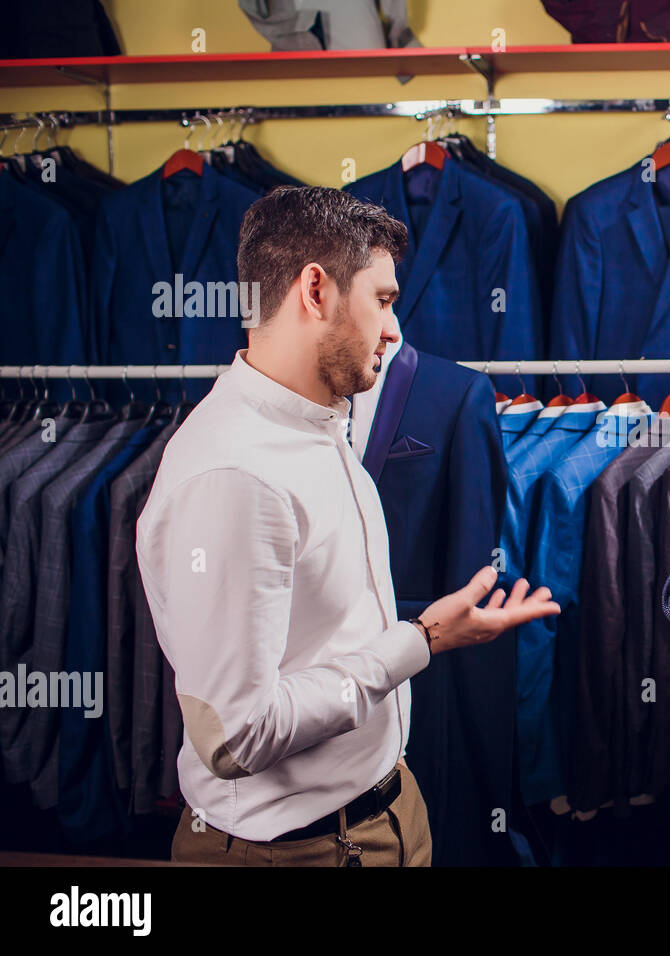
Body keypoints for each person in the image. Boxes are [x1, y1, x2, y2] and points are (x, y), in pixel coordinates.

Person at [137, 186, 560, 866]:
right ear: (316, 290)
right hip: (296, 852)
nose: (394, 331)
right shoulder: (234, 476)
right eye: (384, 301)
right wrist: (420, 641)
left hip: (384, 811)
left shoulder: (317, 424)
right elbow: (236, 736)